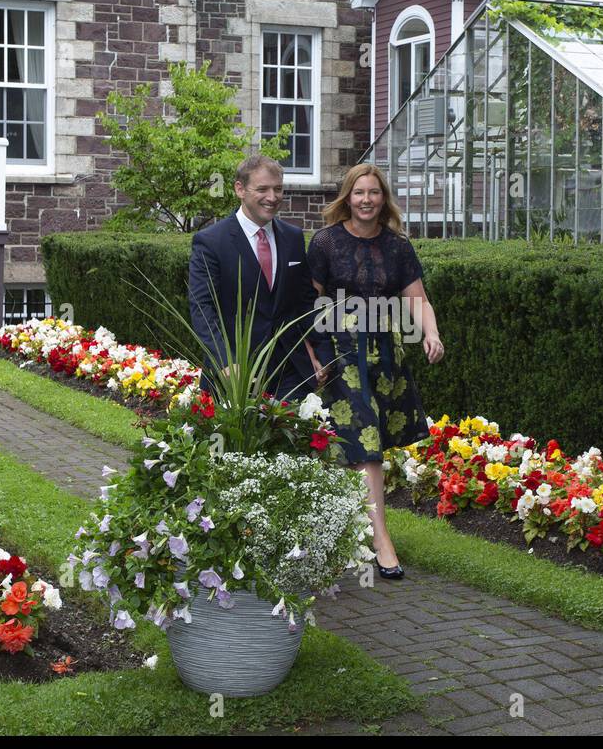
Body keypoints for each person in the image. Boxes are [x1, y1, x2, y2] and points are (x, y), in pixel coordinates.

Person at [307, 164, 444, 580]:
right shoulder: (325, 242)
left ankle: (338, 527)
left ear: (383, 199)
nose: (366, 200)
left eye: (374, 193)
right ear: (347, 198)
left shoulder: (398, 247)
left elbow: (417, 299)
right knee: (365, 443)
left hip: (385, 355)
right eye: (358, 192)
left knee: (357, 446)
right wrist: (312, 356)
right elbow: (305, 306)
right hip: (339, 354)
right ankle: (381, 539)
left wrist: (431, 333)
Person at [188, 155, 330, 400]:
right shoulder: (211, 242)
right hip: (236, 373)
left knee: (294, 438)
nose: (272, 197)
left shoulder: (293, 237)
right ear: (239, 189)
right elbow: (203, 309)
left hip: (290, 371)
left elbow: (306, 302)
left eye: (278, 189)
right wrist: (225, 362)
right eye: (262, 189)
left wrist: (323, 353)